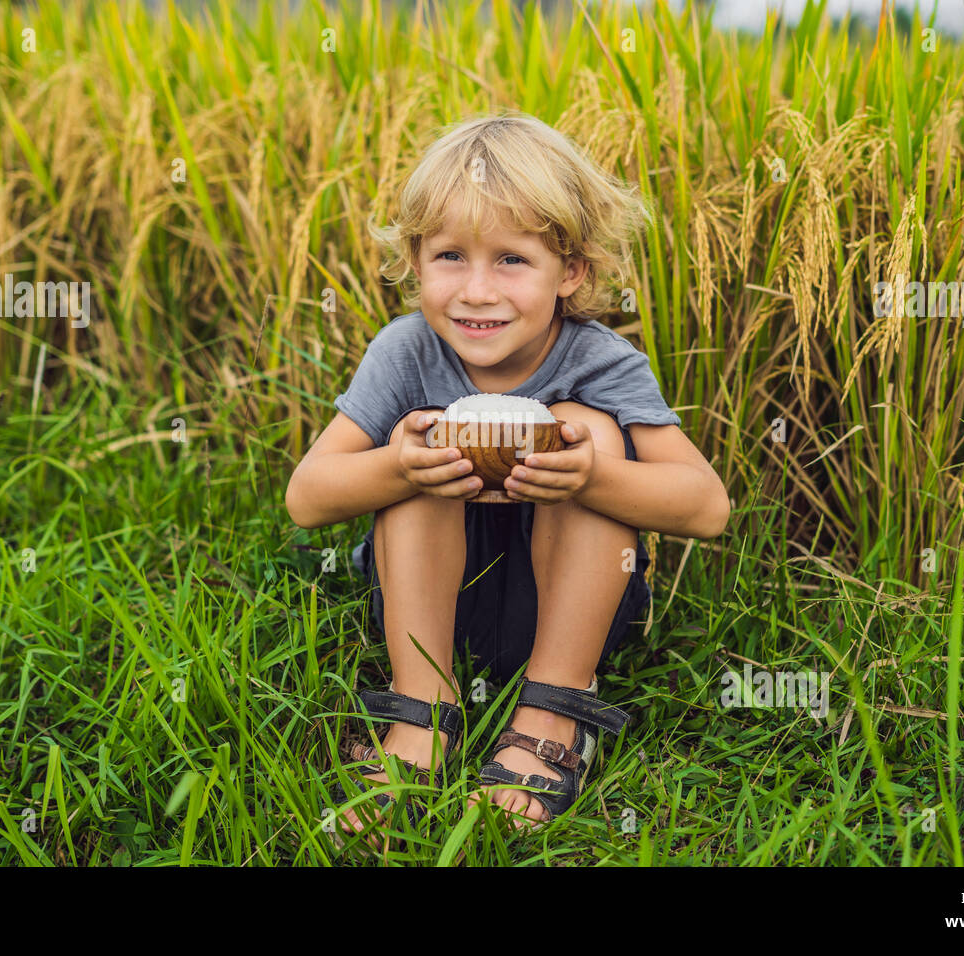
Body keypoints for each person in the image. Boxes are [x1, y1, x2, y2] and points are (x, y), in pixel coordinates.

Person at [285, 111, 730, 837]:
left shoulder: (602, 362)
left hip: (569, 610)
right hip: (432, 609)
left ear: (572, 271)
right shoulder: (405, 353)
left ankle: (551, 715)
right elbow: (308, 498)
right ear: (416, 261)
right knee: (416, 437)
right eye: (450, 256)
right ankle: (422, 715)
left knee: (584, 431)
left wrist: (589, 476)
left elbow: (706, 508)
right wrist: (401, 464)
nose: (476, 290)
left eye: (511, 260)